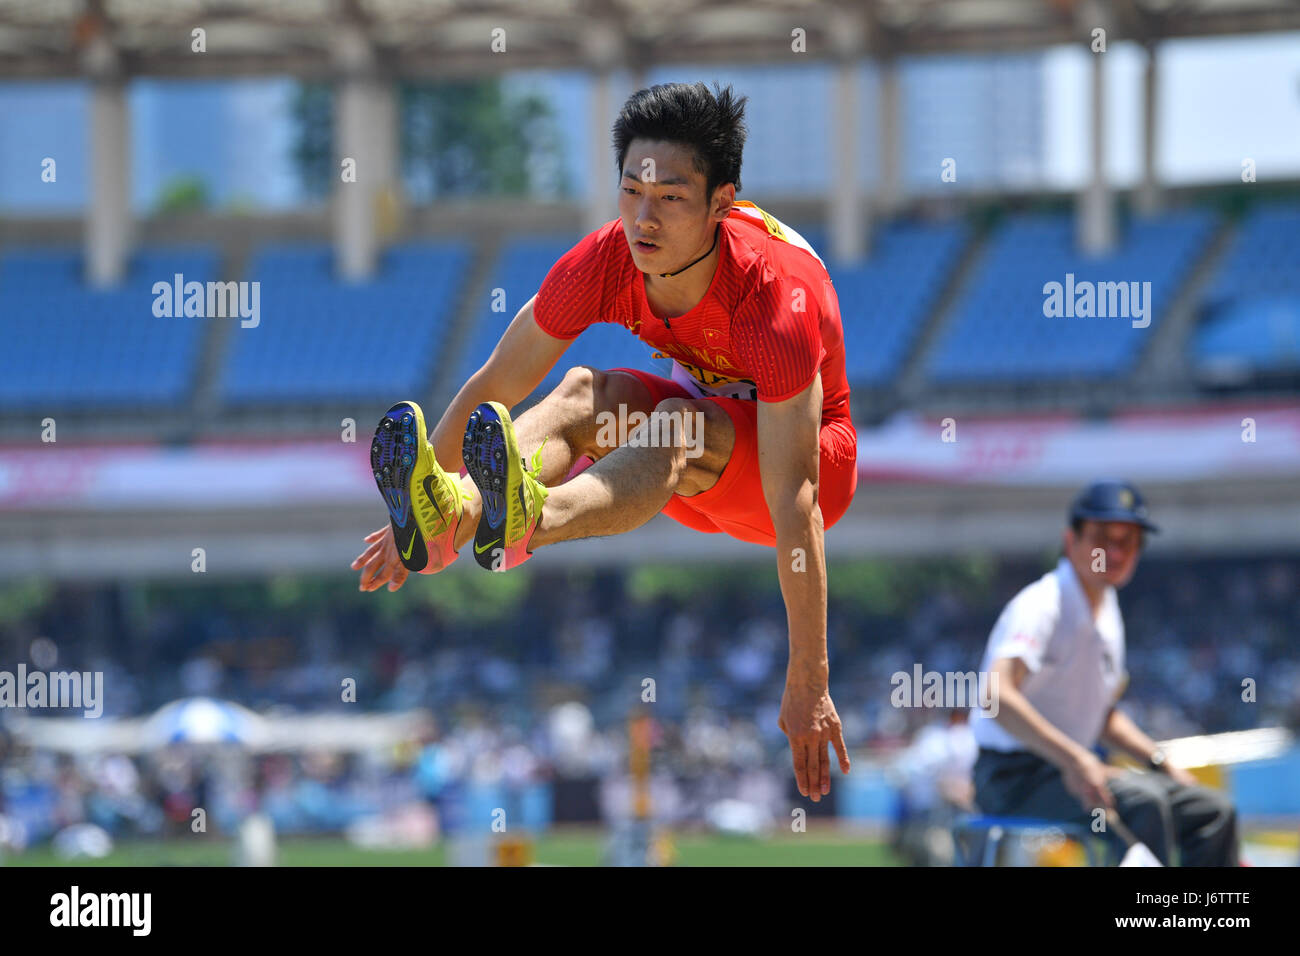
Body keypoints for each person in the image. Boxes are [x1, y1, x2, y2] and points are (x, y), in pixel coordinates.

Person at [353, 82, 857, 802]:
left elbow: (798, 501)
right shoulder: (603, 261)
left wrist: (810, 677)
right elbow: (499, 378)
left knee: (683, 426)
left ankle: (536, 519)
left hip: (799, 479)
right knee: (584, 394)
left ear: (723, 204)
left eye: (671, 199)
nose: (643, 220)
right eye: (630, 192)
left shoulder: (775, 298)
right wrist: (429, 492)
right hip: (673, 465)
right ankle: (462, 515)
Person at [969, 479, 1239, 865]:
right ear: (1071, 541)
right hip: (1013, 777)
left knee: (1211, 811)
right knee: (1143, 804)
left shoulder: (1108, 609)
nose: (1114, 552)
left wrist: (1161, 763)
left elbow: (1102, 715)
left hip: (1072, 767)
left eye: (1127, 541)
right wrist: (1077, 760)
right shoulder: (1043, 604)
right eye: (1101, 538)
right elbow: (997, 696)